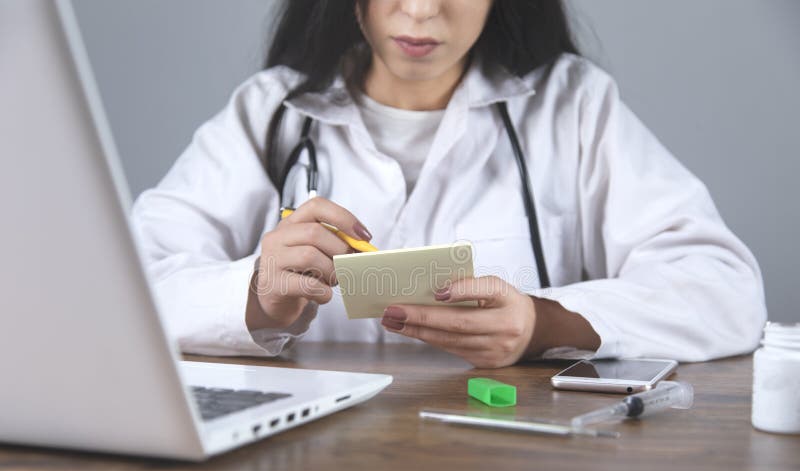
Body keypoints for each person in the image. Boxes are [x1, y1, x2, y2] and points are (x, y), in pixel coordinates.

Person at [132, 0, 766, 368]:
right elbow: (123, 285)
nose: (420, 10)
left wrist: (547, 324)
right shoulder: (267, 112)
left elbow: (724, 290)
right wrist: (255, 297)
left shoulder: (574, 106)